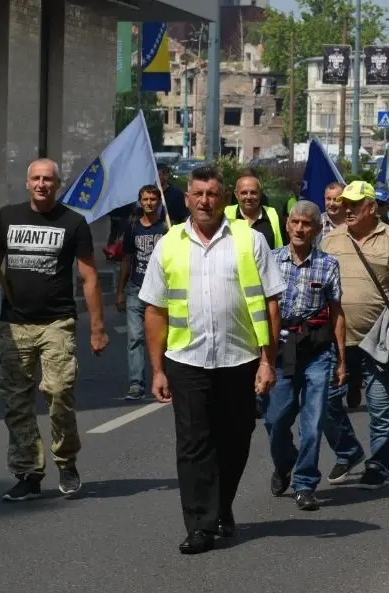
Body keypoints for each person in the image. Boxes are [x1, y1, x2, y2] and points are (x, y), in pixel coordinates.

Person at [140, 165, 285, 554]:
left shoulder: (249, 240)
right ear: (187, 198)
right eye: (198, 194)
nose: (205, 201)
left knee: (235, 439)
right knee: (193, 444)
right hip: (187, 360)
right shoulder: (169, 243)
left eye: (212, 194)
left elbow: (271, 303)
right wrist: (156, 369)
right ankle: (200, 525)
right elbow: (154, 310)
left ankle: (222, 506)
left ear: (224, 199)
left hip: (239, 359)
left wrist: (267, 360)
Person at [0, 158, 109, 502]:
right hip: (15, 323)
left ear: (57, 184)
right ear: (27, 183)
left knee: (59, 392)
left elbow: (89, 277)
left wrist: (97, 328)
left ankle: (66, 461)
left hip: (56, 322)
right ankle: (29, 473)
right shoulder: (7, 217)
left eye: (47, 179)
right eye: (35, 178)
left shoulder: (73, 223)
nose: (41, 184)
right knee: (17, 401)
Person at [320, 180, 389, 490]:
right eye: (345, 204)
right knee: (324, 403)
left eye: (354, 205)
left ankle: (379, 464)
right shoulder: (330, 241)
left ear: (371, 208)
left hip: (379, 339)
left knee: (381, 407)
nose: (347, 209)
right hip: (337, 342)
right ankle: (348, 450)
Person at [262, 201, 345, 512]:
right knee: (274, 420)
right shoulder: (269, 260)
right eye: (295, 222)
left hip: (316, 352)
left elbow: (337, 313)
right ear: (287, 225)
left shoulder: (328, 264)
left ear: (317, 229)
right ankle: (285, 464)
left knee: (313, 422)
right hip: (280, 350)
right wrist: (260, 358)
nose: (299, 228)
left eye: (306, 224)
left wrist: (341, 359)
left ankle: (305, 483)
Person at [116, 185, 167, 401]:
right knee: (135, 338)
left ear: (159, 201)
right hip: (136, 290)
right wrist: (120, 291)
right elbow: (127, 259)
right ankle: (136, 383)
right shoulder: (133, 228)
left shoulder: (166, 228)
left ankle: (164, 377)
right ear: (140, 201)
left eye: (153, 199)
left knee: (163, 338)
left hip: (162, 291)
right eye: (145, 199)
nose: (149, 203)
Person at [225, 170, 283, 249]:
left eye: (253, 192)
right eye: (244, 193)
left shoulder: (274, 215)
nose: (249, 197)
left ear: (260, 193)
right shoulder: (224, 214)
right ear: (236, 194)